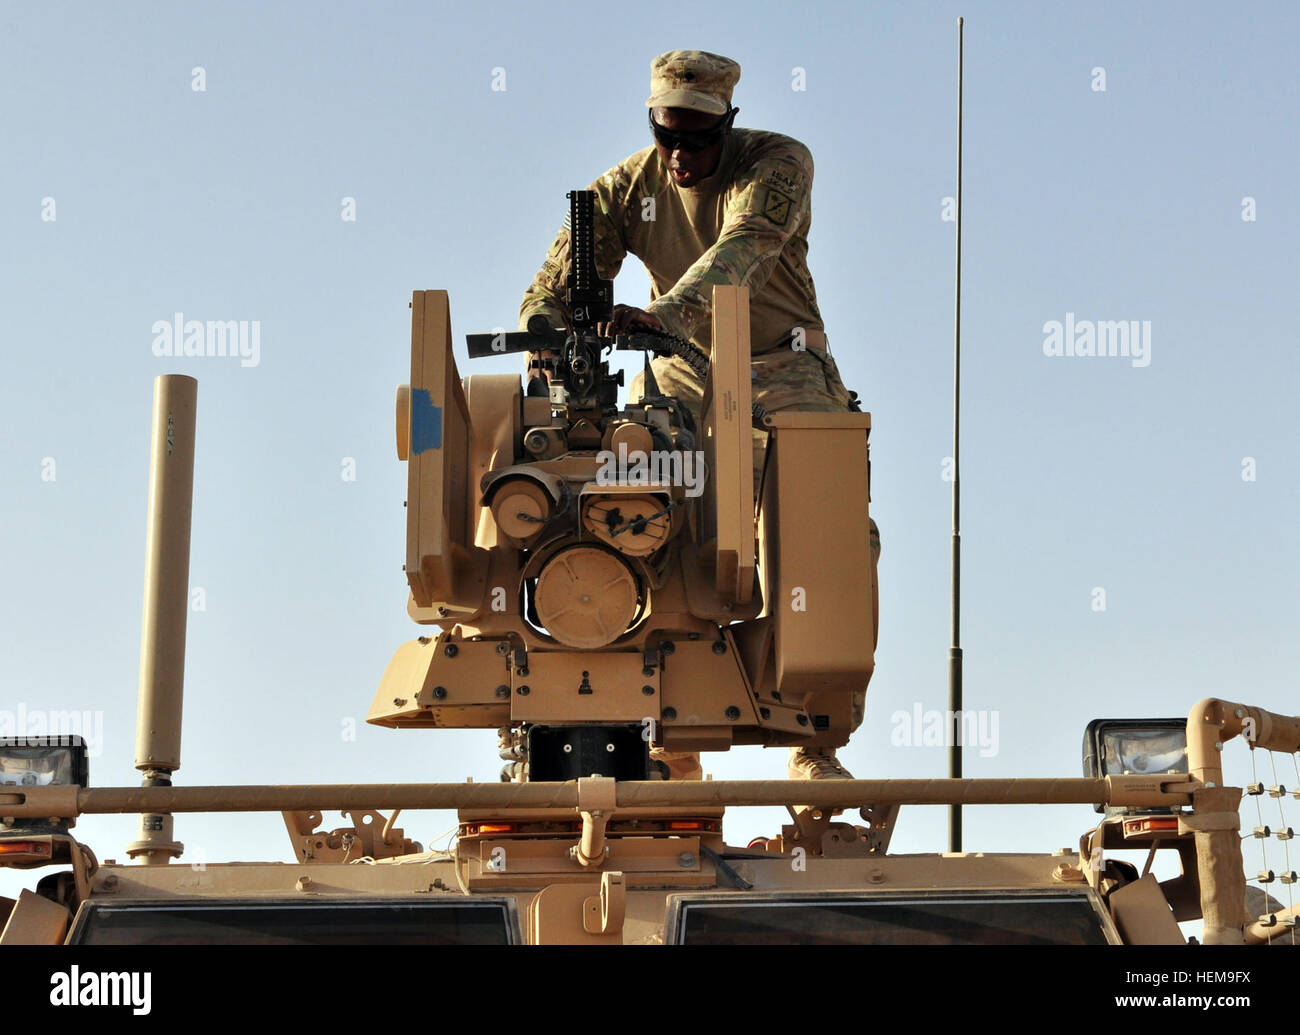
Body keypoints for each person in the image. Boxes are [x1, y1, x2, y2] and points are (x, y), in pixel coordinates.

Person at [518, 50, 878, 781]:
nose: (680, 154)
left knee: (823, 533)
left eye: (698, 139)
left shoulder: (776, 165)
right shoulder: (624, 189)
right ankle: (672, 739)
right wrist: (546, 339)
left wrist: (659, 315)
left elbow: (743, 252)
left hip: (780, 365)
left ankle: (815, 735)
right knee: (647, 524)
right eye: (667, 135)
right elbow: (555, 280)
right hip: (681, 376)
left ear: (729, 125)